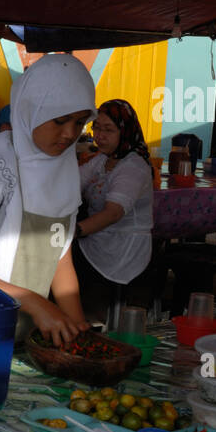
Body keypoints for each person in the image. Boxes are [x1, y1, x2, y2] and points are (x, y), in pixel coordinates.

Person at [0, 54, 95, 347]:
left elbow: (60, 258)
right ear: (30, 110)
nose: (69, 134)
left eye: (79, 122)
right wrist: (36, 303)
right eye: (60, 121)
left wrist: (78, 333)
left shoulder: (63, 167)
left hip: (27, 334)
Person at [73, 98, 156, 323]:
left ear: (125, 132)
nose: (99, 135)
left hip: (124, 248)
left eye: (108, 130)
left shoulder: (133, 166)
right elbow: (72, 184)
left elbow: (113, 213)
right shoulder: (102, 160)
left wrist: (74, 231)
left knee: (65, 255)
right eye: (96, 128)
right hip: (99, 240)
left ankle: (80, 321)